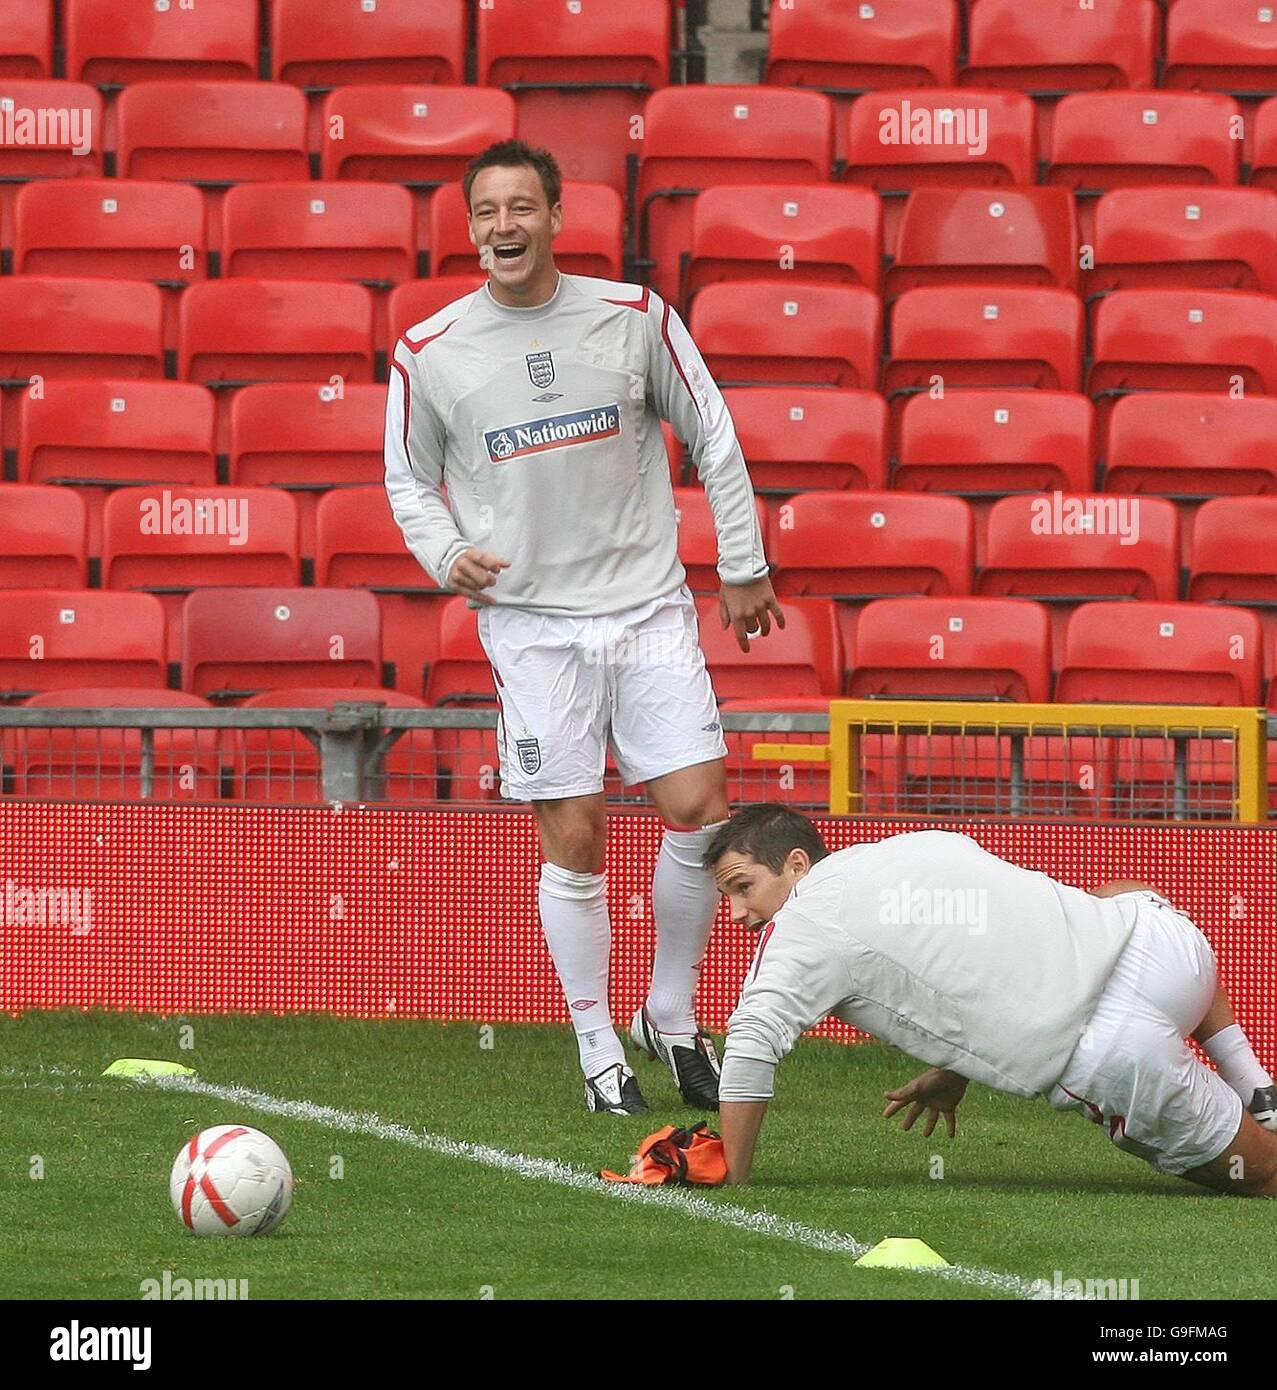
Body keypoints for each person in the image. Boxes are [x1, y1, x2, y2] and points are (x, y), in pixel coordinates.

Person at [385, 140, 783, 1115]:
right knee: (576, 836)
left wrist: (741, 563)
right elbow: (405, 476)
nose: (504, 226)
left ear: (557, 216)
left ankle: (671, 1011)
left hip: (645, 603)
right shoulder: (428, 350)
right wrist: (444, 553)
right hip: (530, 623)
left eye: (522, 207)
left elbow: (712, 429)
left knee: (696, 805)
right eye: (487, 212)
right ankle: (598, 1047)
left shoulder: (633, 316)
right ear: (470, 227)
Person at [705, 803, 1277, 1194]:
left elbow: (752, 1045)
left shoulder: (801, 926)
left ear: (797, 865)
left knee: (1262, 1174)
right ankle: (1253, 1081)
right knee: (1118, 895)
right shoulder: (908, 845)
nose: (737, 914)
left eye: (743, 888)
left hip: (1114, 1051)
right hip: (1166, 952)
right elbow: (989, 956)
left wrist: (735, 1178)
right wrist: (955, 1067)